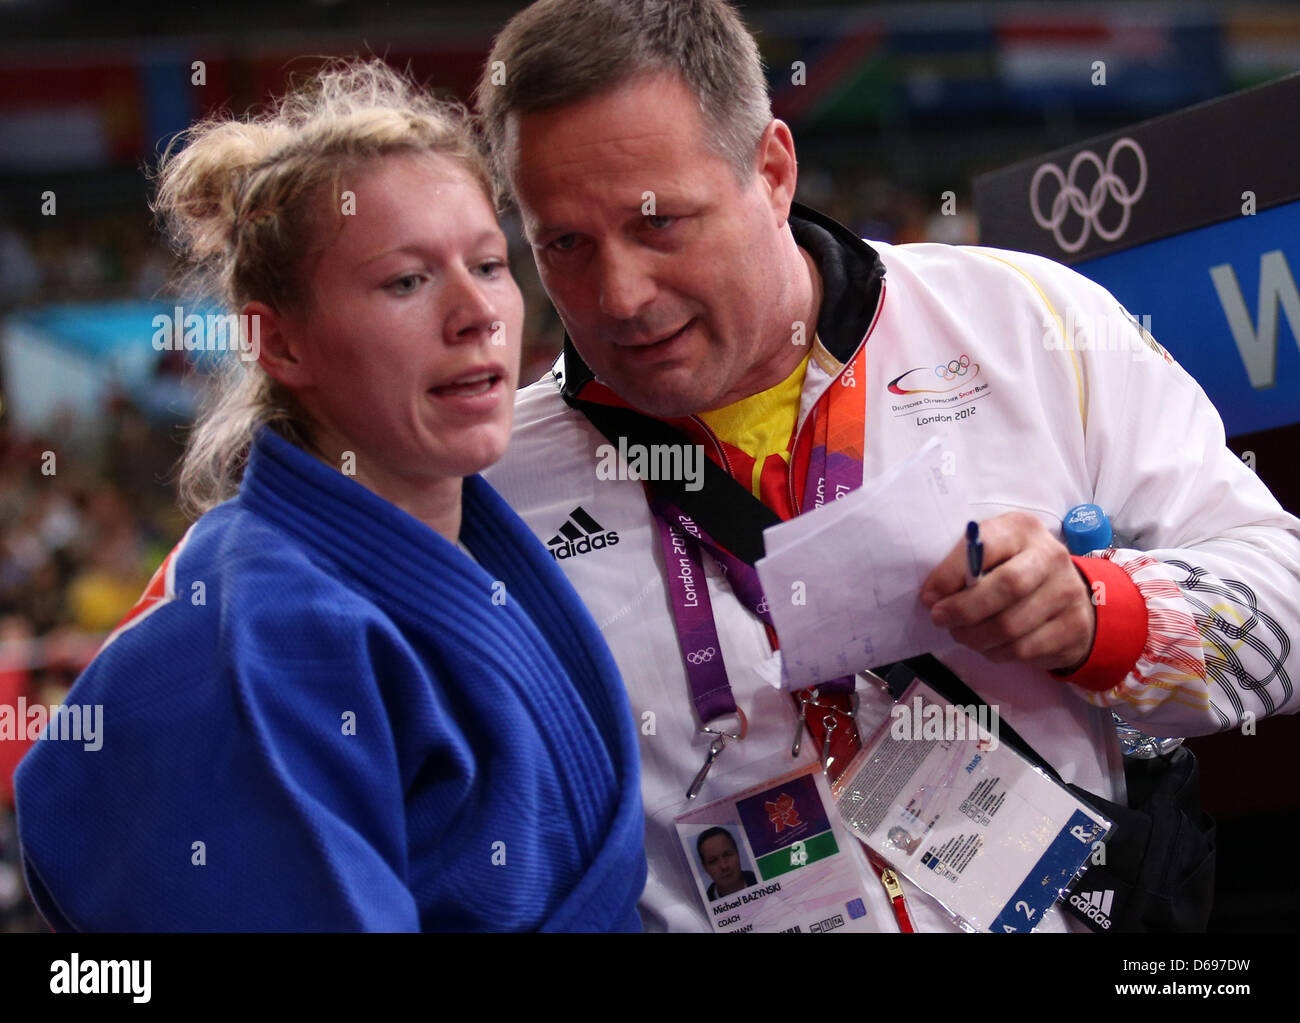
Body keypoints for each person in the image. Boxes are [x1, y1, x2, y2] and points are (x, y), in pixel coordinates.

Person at [475, 0, 1300, 932]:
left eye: (659, 223)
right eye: (565, 245)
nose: (618, 295)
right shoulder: (494, 486)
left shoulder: (1025, 323)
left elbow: (1287, 602)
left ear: (773, 170)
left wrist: (1099, 614)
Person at [13, 58, 646, 932]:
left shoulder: (484, 546)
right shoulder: (269, 631)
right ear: (282, 345)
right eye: (406, 281)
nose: (479, 315)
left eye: (490, 264)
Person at [696, 827, 755, 901]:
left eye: (727, 855)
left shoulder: (759, 879)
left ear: (738, 853)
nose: (724, 866)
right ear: (705, 867)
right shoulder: (701, 906)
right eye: (713, 861)